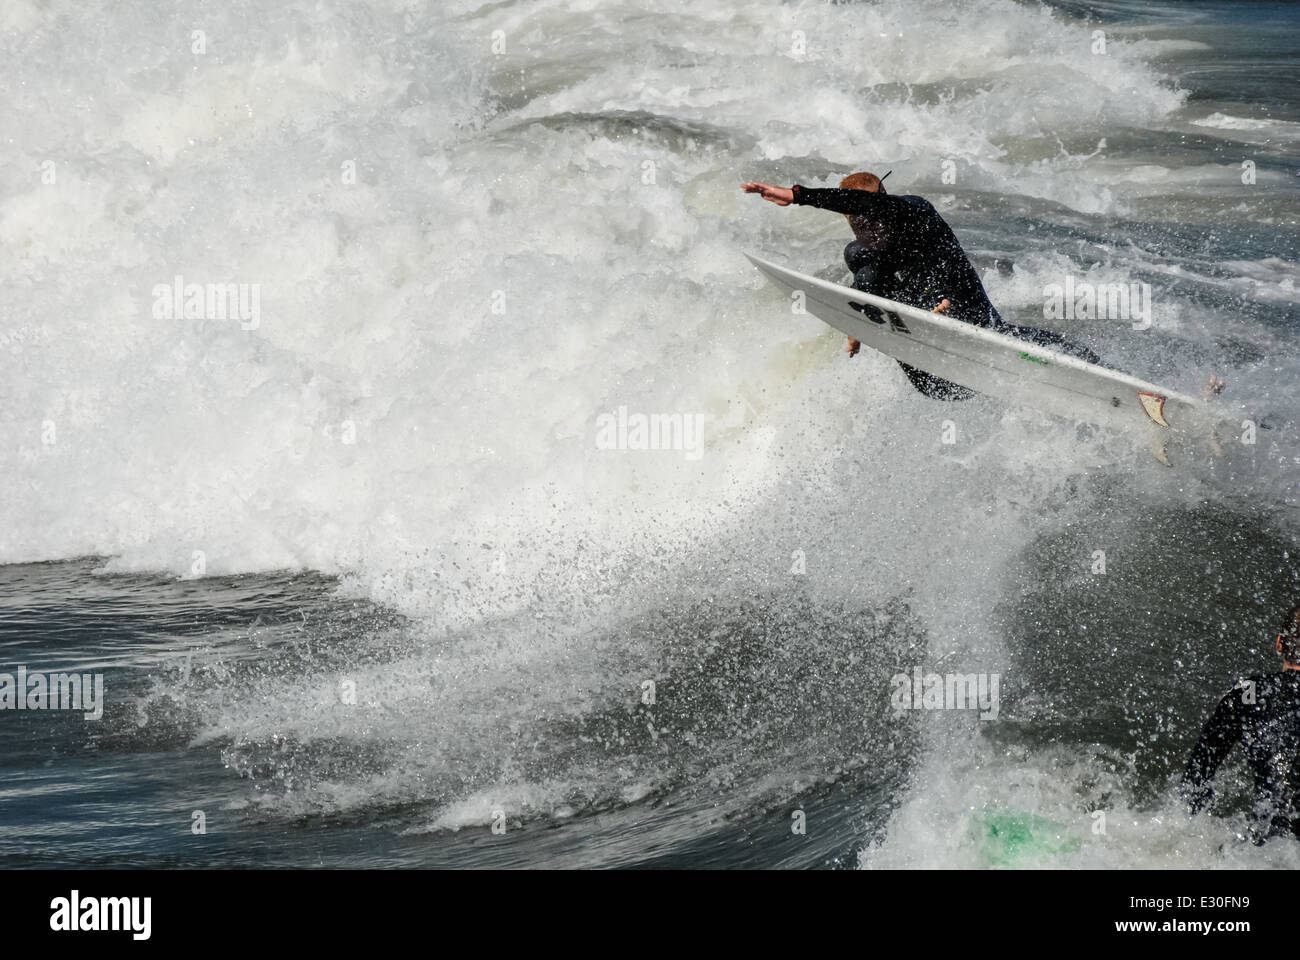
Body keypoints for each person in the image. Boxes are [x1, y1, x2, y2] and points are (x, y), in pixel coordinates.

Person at [741, 172, 1101, 400]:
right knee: (861, 265)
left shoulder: (914, 212)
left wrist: (799, 195)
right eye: (855, 219)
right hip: (936, 366)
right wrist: (858, 325)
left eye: (866, 214)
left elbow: (865, 202)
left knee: (1005, 335)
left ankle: (1093, 367)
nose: (861, 225)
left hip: (965, 311)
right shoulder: (864, 248)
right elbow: (866, 279)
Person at [1180, 605, 1300, 844]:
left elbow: (1197, 773)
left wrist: (1198, 834)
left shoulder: (1248, 692)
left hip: (1265, 850)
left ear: (1279, 643)